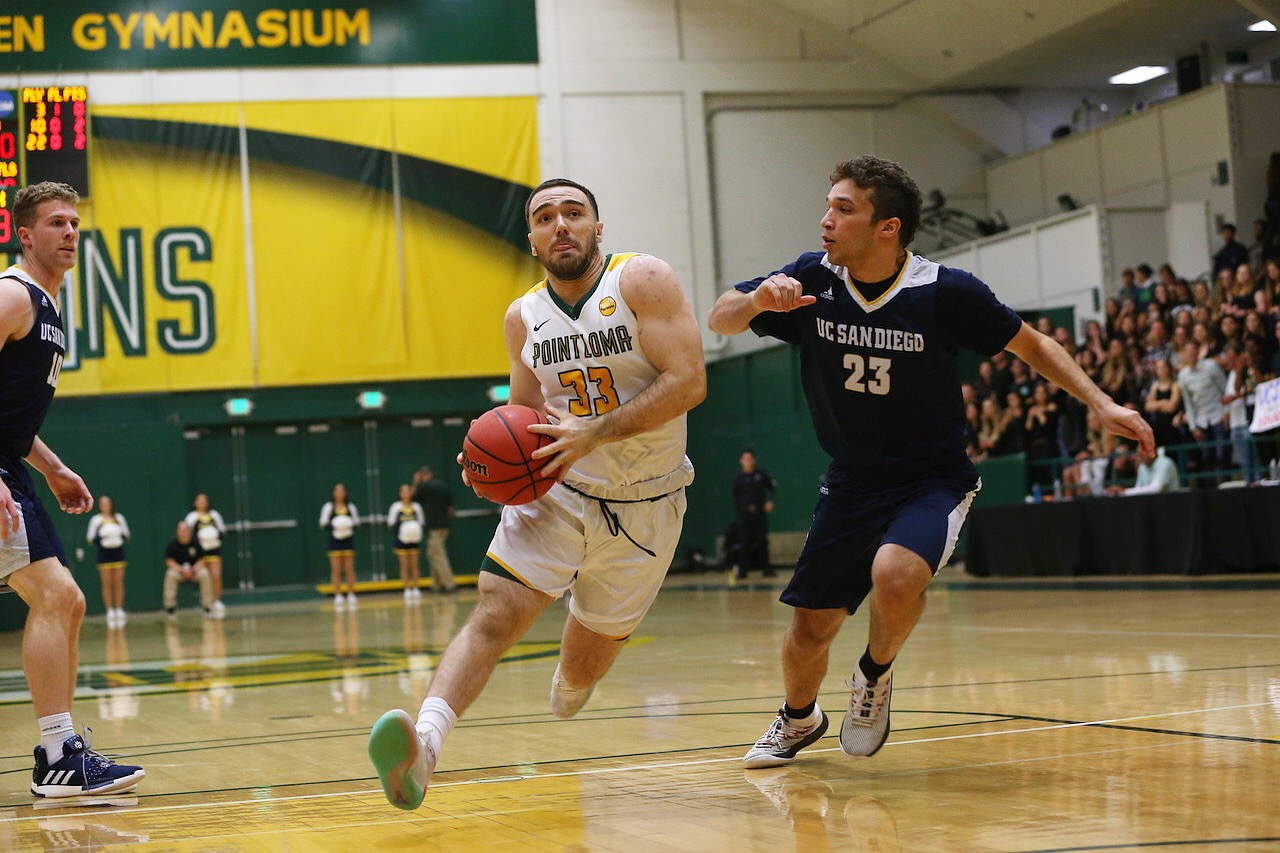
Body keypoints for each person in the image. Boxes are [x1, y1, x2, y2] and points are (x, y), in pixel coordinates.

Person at [705, 156, 1153, 769]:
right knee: (810, 628)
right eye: (828, 205)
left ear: (886, 227)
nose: (825, 220)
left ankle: (874, 676)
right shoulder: (812, 278)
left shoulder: (946, 293)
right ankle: (798, 718)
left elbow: (1033, 344)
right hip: (850, 481)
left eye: (843, 209)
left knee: (894, 573)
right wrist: (758, 299)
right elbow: (719, 319)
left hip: (932, 478)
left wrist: (1101, 403)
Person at [368, 177, 706, 810]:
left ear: (598, 228)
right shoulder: (522, 317)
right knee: (495, 610)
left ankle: (572, 678)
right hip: (561, 491)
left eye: (574, 213)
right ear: (531, 238)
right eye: (545, 217)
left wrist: (596, 431)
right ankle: (425, 750)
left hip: (645, 506)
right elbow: (523, 417)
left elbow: (688, 382)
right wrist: (493, 464)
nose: (560, 225)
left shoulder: (641, 281)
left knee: (580, 673)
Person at [0, 182, 145, 798]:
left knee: (64, 600)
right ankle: (59, 756)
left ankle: (60, 753)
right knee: (59, 598)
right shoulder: (13, 295)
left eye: (74, 222)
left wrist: (52, 466)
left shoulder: (47, 309)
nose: (69, 232)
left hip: (13, 464)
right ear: (25, 235)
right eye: (55, 222)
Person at [726, 448, 776, 578]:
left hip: (759, 513)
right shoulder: (738, 477)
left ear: (754, 460)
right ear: (741, 461)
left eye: (750, 459)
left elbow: (771, 488)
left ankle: (766, 568)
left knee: (762, 540)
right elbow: (734, 495)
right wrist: (740, 508)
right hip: (744, 514)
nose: (747, 461)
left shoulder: (760, 474)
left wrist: (770, 501)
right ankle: (743, 570)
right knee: (744, 541)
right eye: (745, 459)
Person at [86, 495, 131, 628]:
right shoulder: (96, 520)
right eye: (102, 503)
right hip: (104, 554)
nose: (105, 505)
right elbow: (90, 538)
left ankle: (119, 609)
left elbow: (126, 534)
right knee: (107, 583)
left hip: (118, 553)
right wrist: (102, 539)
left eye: (107, 503)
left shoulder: (119, 518)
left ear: (111, 504)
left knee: (118, 582)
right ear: (100, 505)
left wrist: (116, 537)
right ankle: (110, 610)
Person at [411, 466, 456, 594]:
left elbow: (411, 495)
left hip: (434, 527)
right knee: (432, 554)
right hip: (444, 526)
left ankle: (449, 584)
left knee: (438, 555)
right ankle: (437, 584)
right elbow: (451, 509)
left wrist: (415, 481)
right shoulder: (442, 486)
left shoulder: (423, 488)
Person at [184, 494, 227, 619]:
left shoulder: (214, 515)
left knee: (216, 575)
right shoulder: (192, 517)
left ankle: (217, 601)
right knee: (204, 577)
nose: (202, 503)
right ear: (195, 503)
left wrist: (213, 535)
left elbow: (222, 531)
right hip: (200, 552)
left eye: (204, 501)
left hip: (213, 550)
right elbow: (186, 534)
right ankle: (206, 603)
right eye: (199, 501)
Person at [319, 483, 359, 610]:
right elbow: (323, 524)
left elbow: (356, 523)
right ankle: (338, 594)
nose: (340, 493)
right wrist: (335, 526)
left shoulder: (350, 507)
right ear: (333, 493)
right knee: (336, 569)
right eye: (337, 490)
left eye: (342, 490)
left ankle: (351, 593)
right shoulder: (328, 507)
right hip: (335, 541)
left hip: (348, 540)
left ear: (345, 493)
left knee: (349, 568)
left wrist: (347, 525)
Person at [163, 521, 213, 618]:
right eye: (180, 530)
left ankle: (207, 606)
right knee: (170, 574)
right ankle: (170, 607)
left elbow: (202, 560)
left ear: (189, 531)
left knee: (204, 573)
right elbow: (170, 562)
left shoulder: (195, 543)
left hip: (194, 571)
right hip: (179, 571)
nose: (183, 532)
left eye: (185, 530)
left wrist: (193, 569)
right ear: (177, 531)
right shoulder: (173, 545)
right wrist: (182, 570)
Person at [386, 484, 426, 602]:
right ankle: (406, 589)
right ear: (400, 494)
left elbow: (421, 522)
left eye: (407, 491)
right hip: (401, 540)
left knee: (414, 564)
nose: (405, 494)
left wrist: (414, 530)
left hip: (414, 540)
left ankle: (416, 588)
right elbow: (390, 523)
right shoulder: (396, 507)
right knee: (404, 565)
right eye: (403, 491)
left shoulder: (416, 507)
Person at [1106, 447, 1180, 495]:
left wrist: (1125, 491)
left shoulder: (1165, 462)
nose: (1140, 458)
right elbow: (1138, 489)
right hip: (1154, 507)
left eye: (1142, 454)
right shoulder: (1142, 467)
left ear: (1152, 452)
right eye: (1139, 454)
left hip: (1170, 506)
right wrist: (1120, 492)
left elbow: (1156, 489)